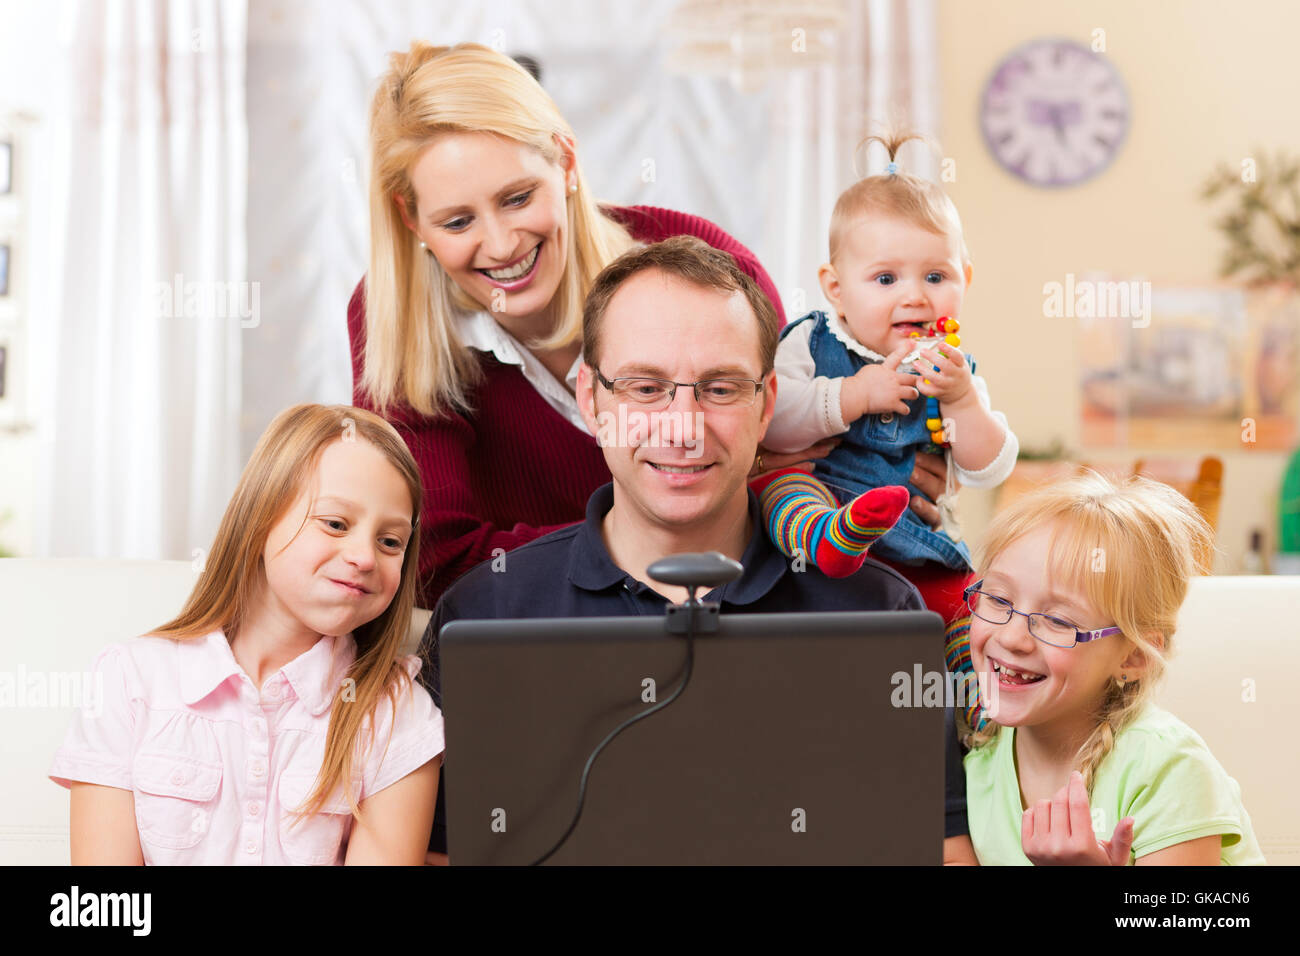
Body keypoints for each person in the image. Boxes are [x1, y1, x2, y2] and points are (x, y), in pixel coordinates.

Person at [420, 236, 972, 863]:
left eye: (720, 389)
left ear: (767, 405)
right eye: (646, 388)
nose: (683, 427)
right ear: (591, 398)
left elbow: (941, 852)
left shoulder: (878, 614)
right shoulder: (486, 612)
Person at [347, 41, 956, 609]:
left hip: (751, 609)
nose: (502, 244)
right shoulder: (397, 326)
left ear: (565, 161)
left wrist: (898, 459)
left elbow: (790, 474)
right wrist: (636, 544)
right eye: (457, 222)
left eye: (516, 198)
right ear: (411, 219)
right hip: (542, 631)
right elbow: (433, 559)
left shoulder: (704, 264)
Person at [48, 405, 444, 865]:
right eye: (335, 524)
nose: (365, 556)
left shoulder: (398, 713)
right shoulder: (129, 679)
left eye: (390, 541)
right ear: (259, 520)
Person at [755, 133, 1018, 738]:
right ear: (835, 287)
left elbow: (990, 465)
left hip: (904, 531)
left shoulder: (952, 369)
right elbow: (771, 415)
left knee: (965, 602)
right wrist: (855, 394)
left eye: (935, 274)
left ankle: (975, 706)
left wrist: (962, 402)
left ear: (965, 280)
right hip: (817, 509)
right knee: (782, 488)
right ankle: (831, 537)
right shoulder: (813, 342)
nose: (915, 295)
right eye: (885, 279)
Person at [962, 471, 1265, 865]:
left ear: (1133, 658)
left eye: (1058, 621)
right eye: (999, 600)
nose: (1013, 637)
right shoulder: (978, 762)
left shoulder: (1169, 768)